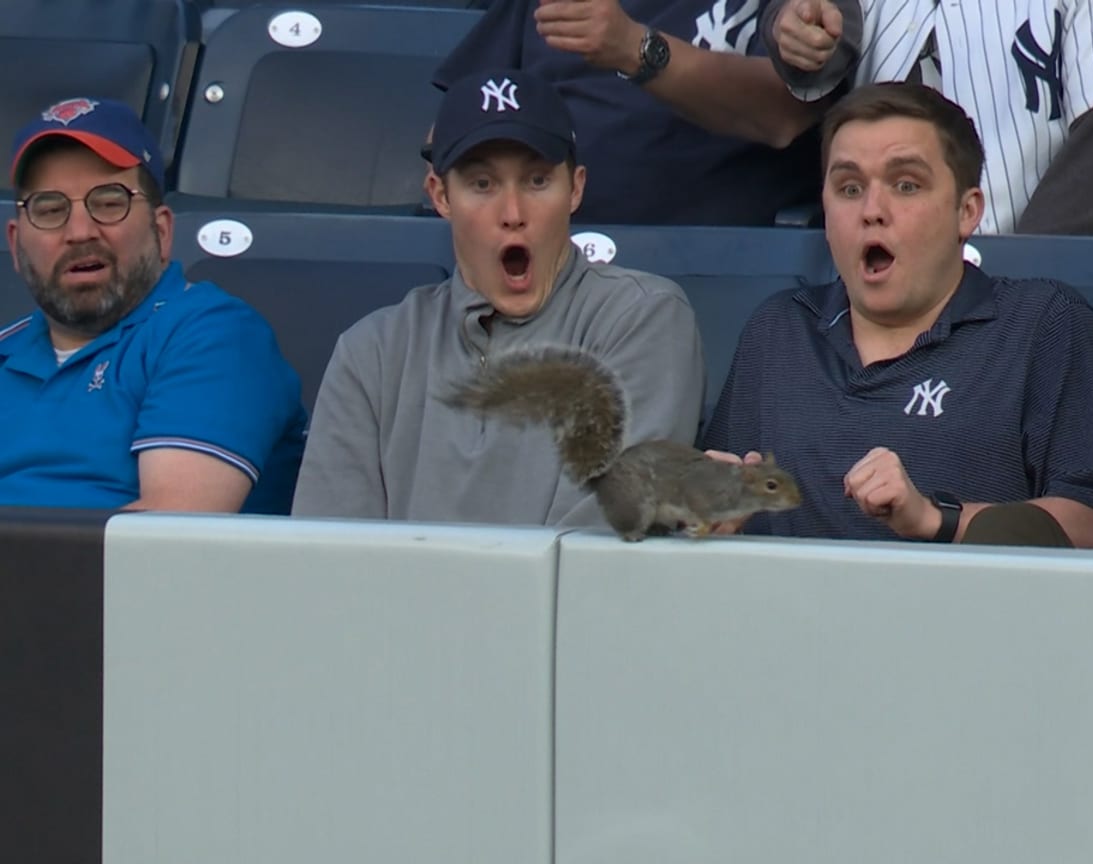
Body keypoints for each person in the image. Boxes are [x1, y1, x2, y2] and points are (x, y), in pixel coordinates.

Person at [701, 82, 1093, 547]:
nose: (872, 211)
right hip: (785, 615)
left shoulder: (1041, 324)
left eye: (906, 185)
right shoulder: (779, 331)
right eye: (849, 188)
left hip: (966, 616)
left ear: (966, 212)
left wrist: (935, 519)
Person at [292, 68, 707, 525]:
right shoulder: (371, 353)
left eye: (536, 181)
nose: (512, 214)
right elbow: (333, 563)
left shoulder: (641, 317)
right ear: (441, 195)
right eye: (482, 184)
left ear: (576, 188)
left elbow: (593, 553)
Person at [0, 98, 307, 513]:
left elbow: (165, 537)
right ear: (16, 244)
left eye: (109, 202)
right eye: (50, 209)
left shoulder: (213, 333)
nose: (79, 231)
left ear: (161, 230)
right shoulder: (7, 351)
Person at [755, 0, 1093, 236]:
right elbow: (821, 30)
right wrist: (795, 26)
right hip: (903, 278)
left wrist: (1013, 287)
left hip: (1073, 275)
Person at [431, 0, 823, 226]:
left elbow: (784, 112)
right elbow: (452, 128)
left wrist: (635, 49)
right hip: (535, 256)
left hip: (702, 264)